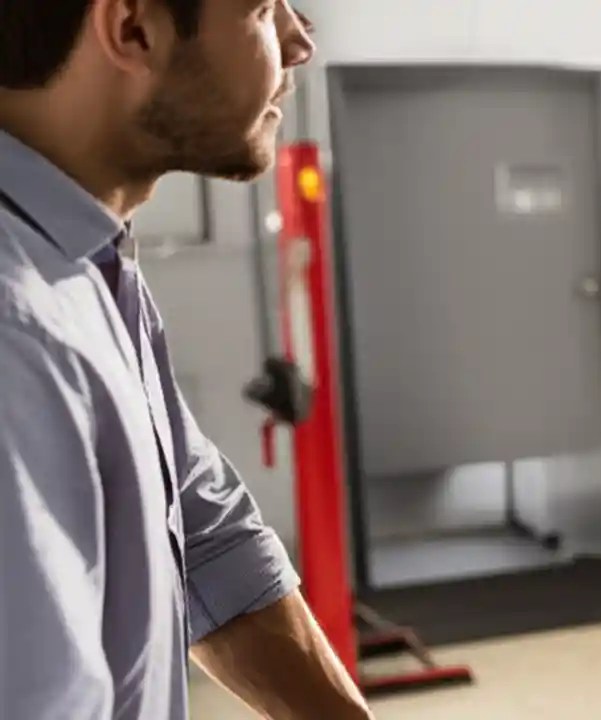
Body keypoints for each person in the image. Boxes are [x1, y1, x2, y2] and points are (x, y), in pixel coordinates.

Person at [0, 1, 372, 718]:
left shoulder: (88, 259)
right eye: (264, 9)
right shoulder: (18, 333)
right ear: (134, 28)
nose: (300, 43)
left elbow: (205, 541)